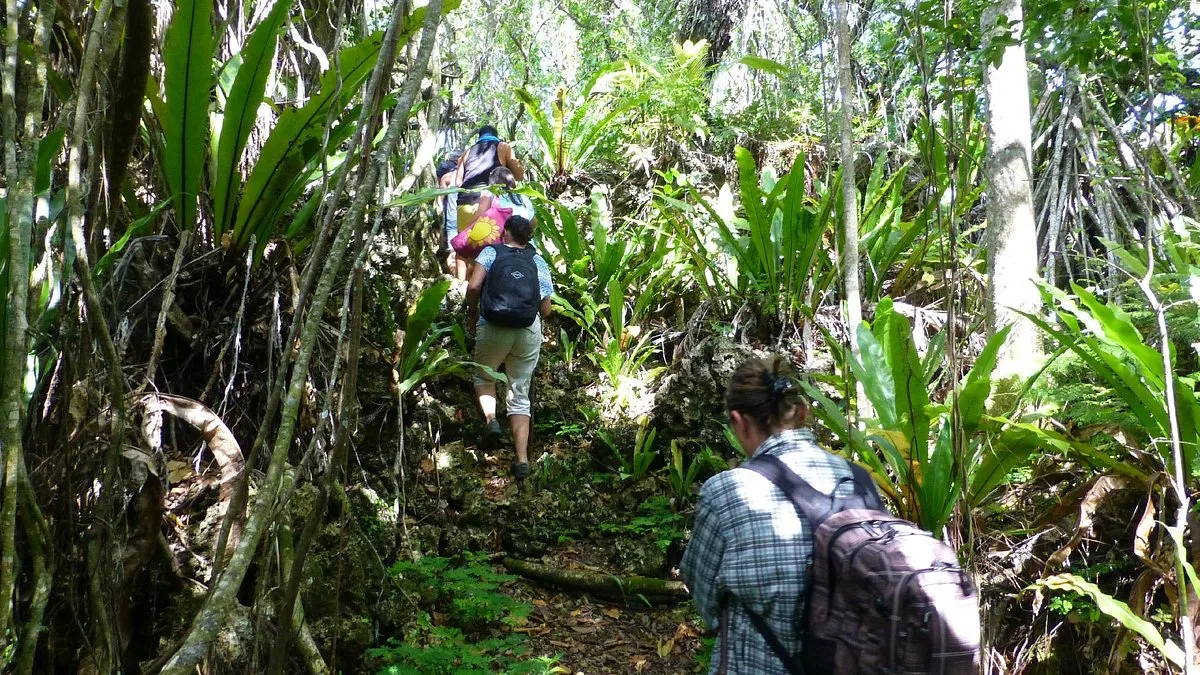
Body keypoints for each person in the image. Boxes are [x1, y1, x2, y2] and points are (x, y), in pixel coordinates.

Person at [680, 355, 860, 674]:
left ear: (739, 422)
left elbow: (705, 600)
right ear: (802, 412)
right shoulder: (858, 481)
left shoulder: (726, 490)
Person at [464, 215, 552, 480]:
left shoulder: (491, 252)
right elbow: (545, 309)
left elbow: (474, 285)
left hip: (493, 326)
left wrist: (471, 310)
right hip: (527, 330)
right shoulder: (537, 261)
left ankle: (491, 421)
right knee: (520, 392)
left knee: (484, 374)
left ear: (506, 233)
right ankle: (522, 459)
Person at [453, 125, 524, 280]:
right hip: (491, 207)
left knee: (464, 252)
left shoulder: (466, 153)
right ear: (496, 136)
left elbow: (458, 182)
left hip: (464, 205)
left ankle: (460, 289)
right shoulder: (503, 147)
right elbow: (519, 175)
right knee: (492, 252)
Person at [436, 151, 463, 274]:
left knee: (453, 250)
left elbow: (439, 200)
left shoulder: (447, 177)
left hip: (452, 217)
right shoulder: (471, 175)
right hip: (468, 217)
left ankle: (455, 280)